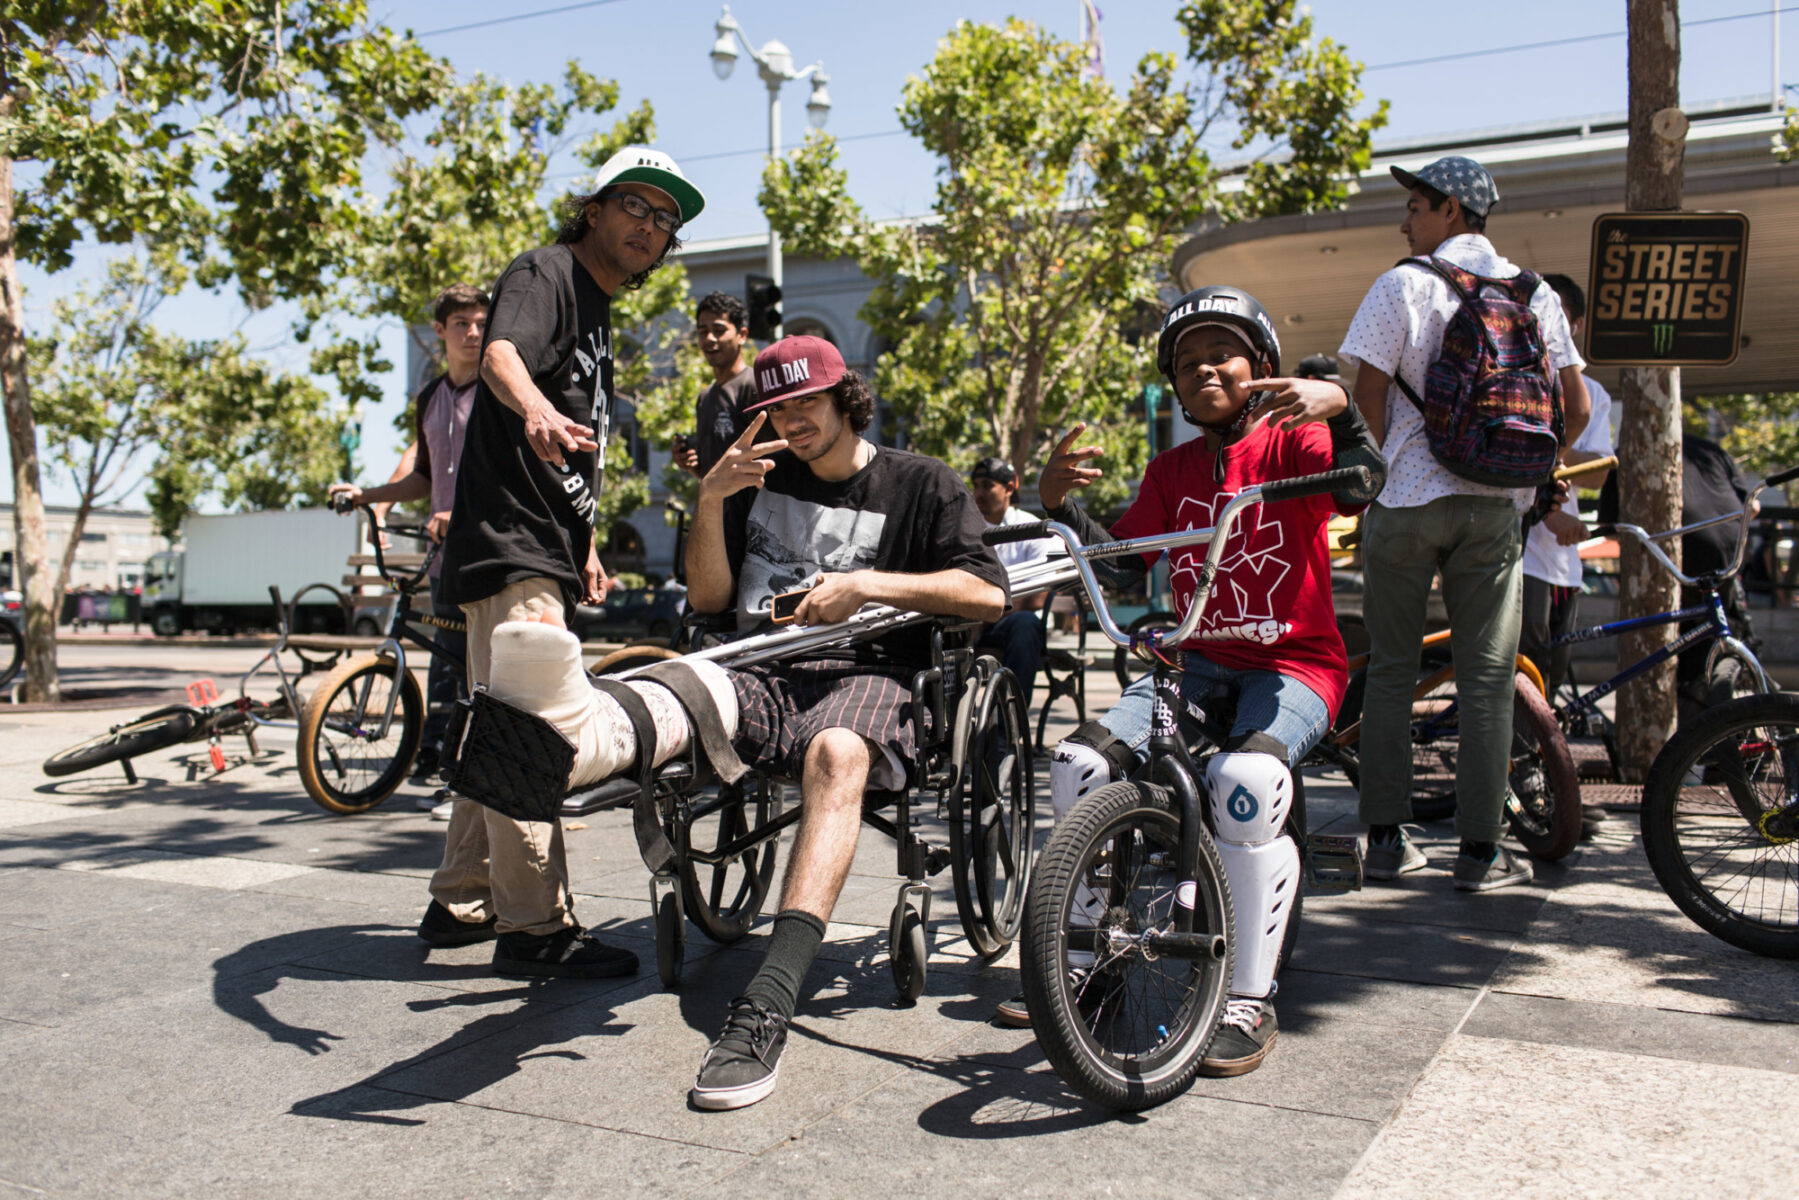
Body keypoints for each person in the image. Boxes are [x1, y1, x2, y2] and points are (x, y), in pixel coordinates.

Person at [993, 286, 1385, 1079]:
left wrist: (1337, 405)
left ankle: (1247, 996)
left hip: (1295, 663)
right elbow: (1127, 558)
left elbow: (1359, 483)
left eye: (1221, 355)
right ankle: (1079, 956)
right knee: (1077, 765)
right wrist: (1057, 503)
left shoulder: (1294, 439)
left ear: (1261, 368)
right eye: (1185, 362)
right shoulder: (1170, 468)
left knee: (1244, 781)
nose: (1203, 370)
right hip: (1196, 664)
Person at [683, 334, 1009, 1110]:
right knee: (665, 702)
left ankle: (765, 1004)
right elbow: (704, 602)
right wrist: (707, 501)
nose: (791, 422)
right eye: (776, 409)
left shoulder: (920, 483)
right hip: (756, 669)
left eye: (805, 404)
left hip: (871, 675)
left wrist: (864, 584)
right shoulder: (751, 480)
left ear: (844, 400)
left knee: (835, 753)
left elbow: (989, 594)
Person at [423, 145, 705, 978]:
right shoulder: (547, 273)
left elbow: (576, 452)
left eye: (666, 220)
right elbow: (505, 356)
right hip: (507, 541)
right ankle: (536, 927)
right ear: (594, 209)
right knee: (532, 729)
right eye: (637, 206)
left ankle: (461, 899)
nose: (650, 227)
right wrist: (538, 408)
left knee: (499, 718)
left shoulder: (597, 310)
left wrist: (581, 542)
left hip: (538, 542)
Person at [1339, 155, 1591, 893]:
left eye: (1415, 205)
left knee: (1390, 668)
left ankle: (1386, 840)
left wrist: (1382, 481)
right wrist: (1527, 475)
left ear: (1451, 209)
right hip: (1494, 510)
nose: (1403, 218)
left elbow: (1367, 397)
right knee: (1486, 679)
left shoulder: (1402, 285)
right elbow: (1572, 409)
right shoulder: (1535, 294)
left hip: (1408, 500)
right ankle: (1479, 854)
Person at [330, 284, 488, 802]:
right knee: (445, 661)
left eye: (481, 322)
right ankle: (440, 764)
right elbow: (423, 476)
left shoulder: (497, 390)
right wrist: (368, 497)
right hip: (443, 555)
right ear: (439, 331)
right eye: (461, 322)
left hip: (488, 552)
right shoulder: (431, 398)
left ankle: (471, 779)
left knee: (479, 671)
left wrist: (459, 512)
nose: (473, 332)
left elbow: (504, 477)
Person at [1597, 430, 1760, 723]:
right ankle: (1712, 736)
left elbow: (1611, 526)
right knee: (1713, 636)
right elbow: (1754, 506)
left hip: (1676, 549)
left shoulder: (1630, 450)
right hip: (1730, 544)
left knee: (1679, 651)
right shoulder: (1711, 450)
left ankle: (1691, 738)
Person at [1518, 274, 1613, 699]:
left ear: (1572, 326)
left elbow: (1596, 474)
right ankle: (1518, 763)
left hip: (1565, 563)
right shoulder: (1513, 382)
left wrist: (1544, 442)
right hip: (1521, 557)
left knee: (1552, 677)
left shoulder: (1592, 393)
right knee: (1525, 676)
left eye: (1554, 312)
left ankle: (1536, 762)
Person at [968, 455, 1050, 707]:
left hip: (1005, 623)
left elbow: (1037, 598)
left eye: (988, 485)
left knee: (1025, 625)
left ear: (1010, 487)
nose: (979, 493)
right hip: (967, 623)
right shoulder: (965, 528)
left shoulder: (1032, 528)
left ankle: (1009, 732)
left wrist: (985, 614)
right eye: (976, 485)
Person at [673, 291, 758, 478]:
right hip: (713, 506)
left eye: (719, 330)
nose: (709, 338)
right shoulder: (705, 397)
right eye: (703, 331)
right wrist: (691, 465)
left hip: (754, 507)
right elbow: (710, 475)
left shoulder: (754, 386)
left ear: (742, 335)